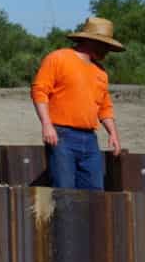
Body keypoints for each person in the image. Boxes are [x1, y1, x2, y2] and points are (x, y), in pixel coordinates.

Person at [31, 15, 124, 190]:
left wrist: (113, 134)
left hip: (90, 139)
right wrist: (47, 125)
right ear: (91, 41)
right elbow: (39, 90)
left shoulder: (101, 72)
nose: (107, 51)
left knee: (95, 191)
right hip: (61, 136)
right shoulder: (58, 58)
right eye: (105, 45)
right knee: (64, 190)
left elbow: (104, 107)